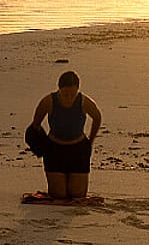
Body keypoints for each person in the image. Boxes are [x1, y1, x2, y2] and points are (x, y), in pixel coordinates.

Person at [29, 70, 102, 199]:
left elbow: (97, 117)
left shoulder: (84, 102)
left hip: (78, 151)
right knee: (59, 195)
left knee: (77, 195)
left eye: (72, 94)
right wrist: (41, 147)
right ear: (59, 89)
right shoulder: (48, 101)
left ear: (78, 90)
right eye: (66, 93)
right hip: (55, 151)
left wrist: (90, 141)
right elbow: (36, 124)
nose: (69, 97)